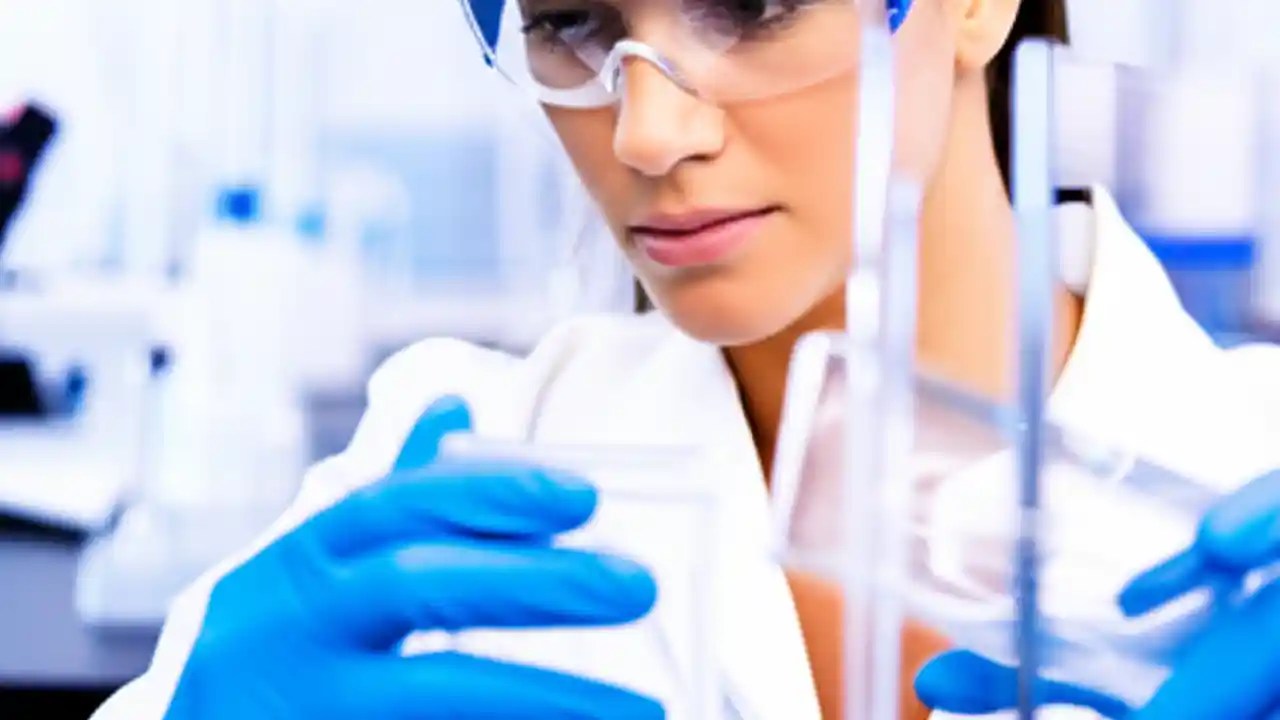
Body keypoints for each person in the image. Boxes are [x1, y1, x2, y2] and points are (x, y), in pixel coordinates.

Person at [93, 0, 1280, 718]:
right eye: (573, 23)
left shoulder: (1252, 474)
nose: (647, 130)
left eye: (752, 4)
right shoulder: (452, 469)